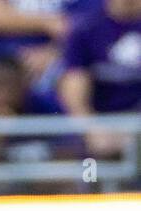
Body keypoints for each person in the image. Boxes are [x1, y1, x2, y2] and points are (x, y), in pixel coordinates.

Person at [58, 0, 141, 158]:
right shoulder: (86, 27)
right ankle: (90, 179)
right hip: (101, 120)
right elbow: (74, 83)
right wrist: (90, 127)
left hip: (137, 120)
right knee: (89, 162)